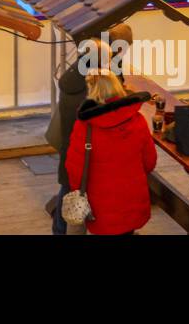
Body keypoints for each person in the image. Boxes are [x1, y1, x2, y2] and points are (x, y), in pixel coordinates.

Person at [46, 24, 132, 234]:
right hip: (90, 158)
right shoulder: (98, 81)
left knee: (68, 195)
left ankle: (60, 230)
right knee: (76, 203)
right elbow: (111, 106)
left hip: (72, 153)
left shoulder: (76, 73)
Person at [64, 71, 156, 235]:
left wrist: (78, 191)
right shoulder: (137, 119)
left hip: (101, 205)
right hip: (133, 198)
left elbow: (74, 169)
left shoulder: (86, 127)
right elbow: (149, 162)